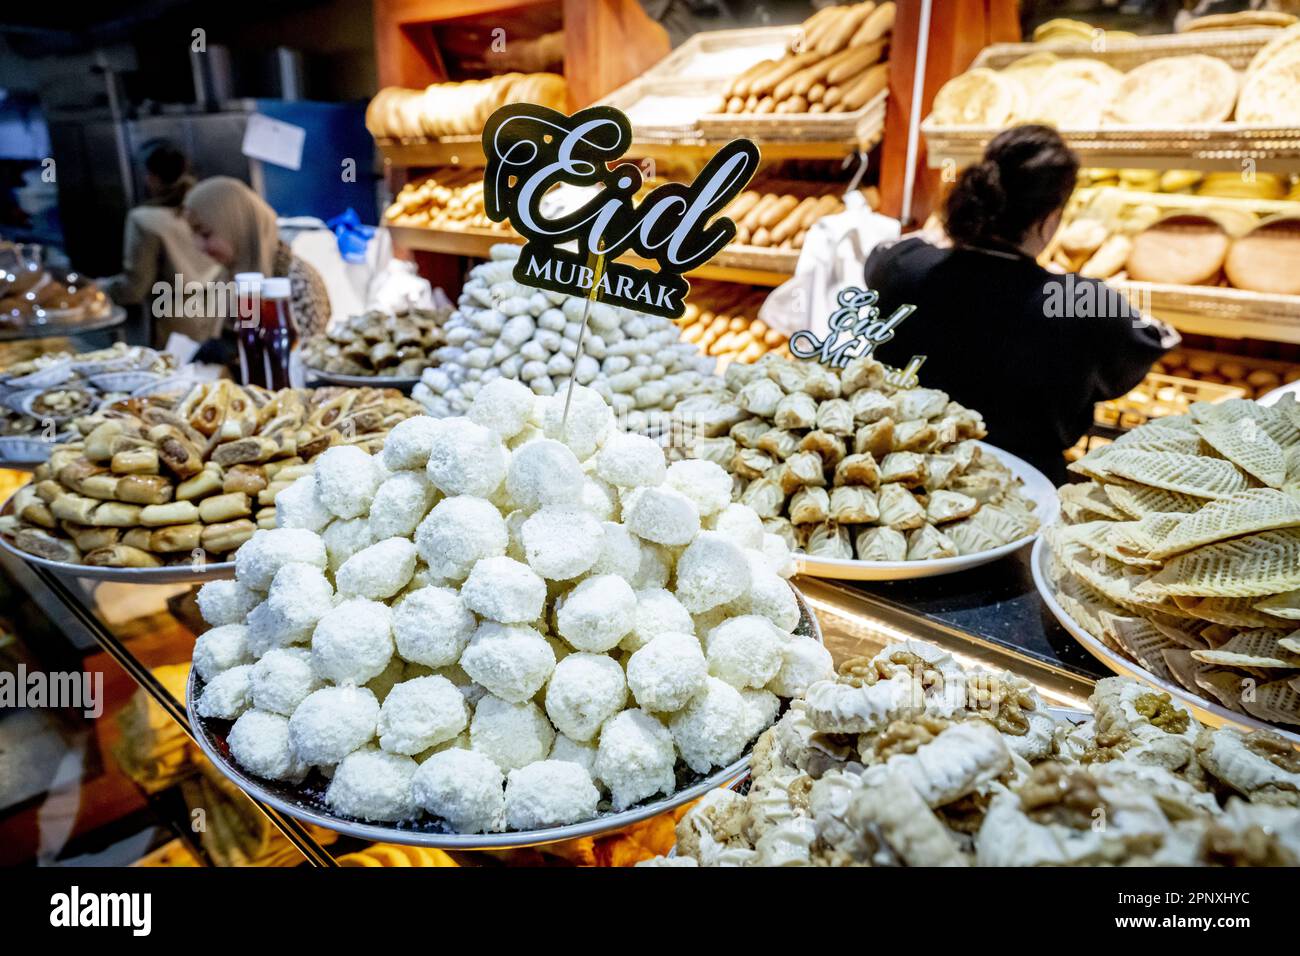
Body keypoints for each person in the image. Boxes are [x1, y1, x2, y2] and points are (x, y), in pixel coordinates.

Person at [862, 124, 1178, 484]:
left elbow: (883, 255)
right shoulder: (1074, 298)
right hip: (1020, 485)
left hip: (902, 472)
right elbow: (1150, 340)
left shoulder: (905, 266)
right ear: (1049, 218)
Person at [182, 176, 331, 342]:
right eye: (193, 235)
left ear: (236, 228)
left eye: (206, 234)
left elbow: (299, 358)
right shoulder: (227, 276)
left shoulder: (296, 281)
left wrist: (235, 354)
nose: (199, 246)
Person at [103, 139, 220, 343]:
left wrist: (99, 289)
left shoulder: (144, 219)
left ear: (152, 178)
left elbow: (134, 288)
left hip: (177, 323)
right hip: (218, 312)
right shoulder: (209, 206)